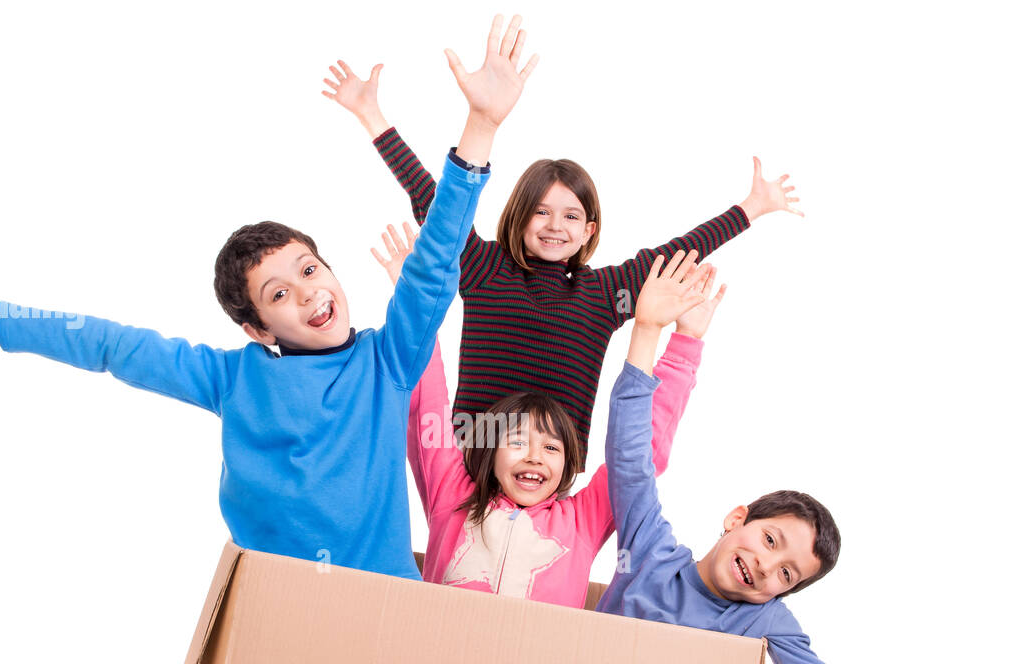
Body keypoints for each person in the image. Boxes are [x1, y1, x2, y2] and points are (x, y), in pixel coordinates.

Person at [0, 15, 537, 580]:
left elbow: (434, 259)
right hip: (274, 612)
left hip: (383, 607)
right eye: (280, 293)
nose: (309, 293)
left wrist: (479, 128)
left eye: (310, 270)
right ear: (255, 328)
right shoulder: (232, 376)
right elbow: (108, 343)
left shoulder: (386, 361)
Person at [598, 305, 1025, 664]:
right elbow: (630, 452)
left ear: (784, 592)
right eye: (770, 540)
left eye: (786, 572)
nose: (764, 565)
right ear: (738, 519)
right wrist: (647, 332)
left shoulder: (765, 619)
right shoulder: (650, 549)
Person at [324, 39, 801, 459]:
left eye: (571, 216)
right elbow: (437, 203)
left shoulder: (604, 293)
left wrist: (751, 208)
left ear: (589, 230)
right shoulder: (484, 267)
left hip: (550, 474)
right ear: (519, 214)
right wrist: (373, 118)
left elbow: (678, 252)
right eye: (541, 212)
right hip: (473, 463)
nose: (555, 226)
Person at [377, 223, 720, 607]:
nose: (535, 456)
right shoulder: (453, 495)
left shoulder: (582, 522)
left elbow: (640, 453)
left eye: (551, 447)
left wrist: (686, 343)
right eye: (518, 441)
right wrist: (414, 299)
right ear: (490, 452)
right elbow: (429, 398)